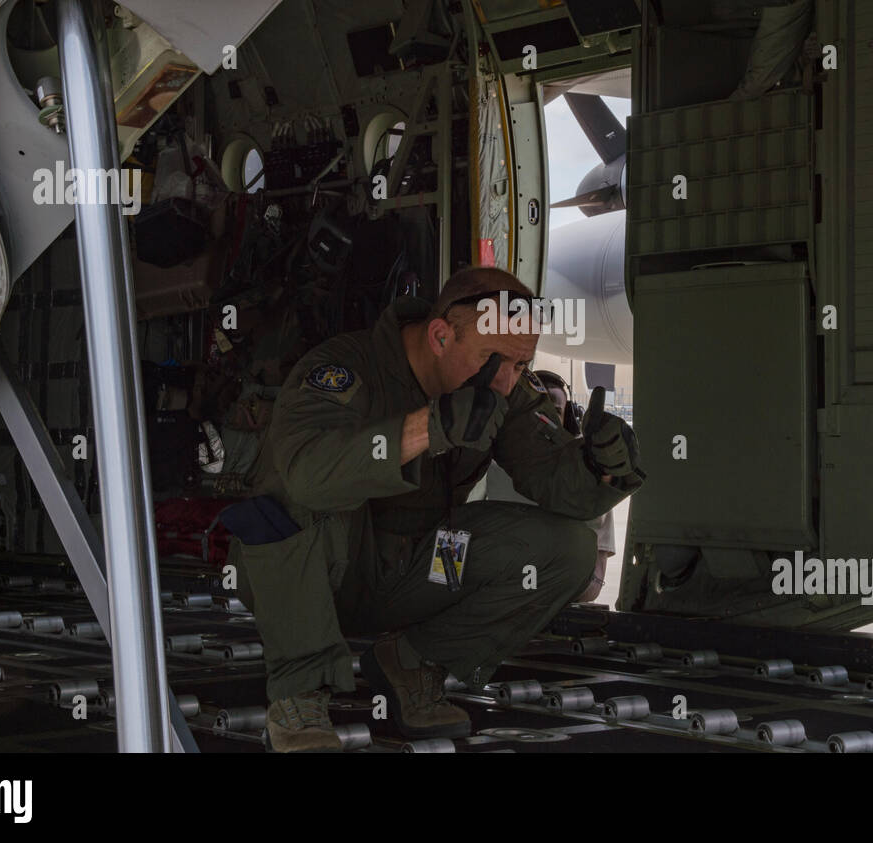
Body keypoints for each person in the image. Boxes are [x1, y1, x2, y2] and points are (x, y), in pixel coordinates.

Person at [223, 266, 644, 751]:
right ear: (441, 335)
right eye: (495, 359)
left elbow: (554, 478)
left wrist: (602, 467)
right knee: (298, 494)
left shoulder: (502, 389)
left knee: (568, 548)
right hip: (323, 578)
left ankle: (412, 663)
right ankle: (299, 695)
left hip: (415, 571)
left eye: (522, 365)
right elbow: (307, 474)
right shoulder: (344, 369)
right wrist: (429, 427)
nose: (508, 382)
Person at [478, 370, 615, 602]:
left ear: (569, 421)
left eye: (554, 413)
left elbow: (592, 584)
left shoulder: (585, 476)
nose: (542, 422)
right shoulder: (490, 465)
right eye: (537, 414)